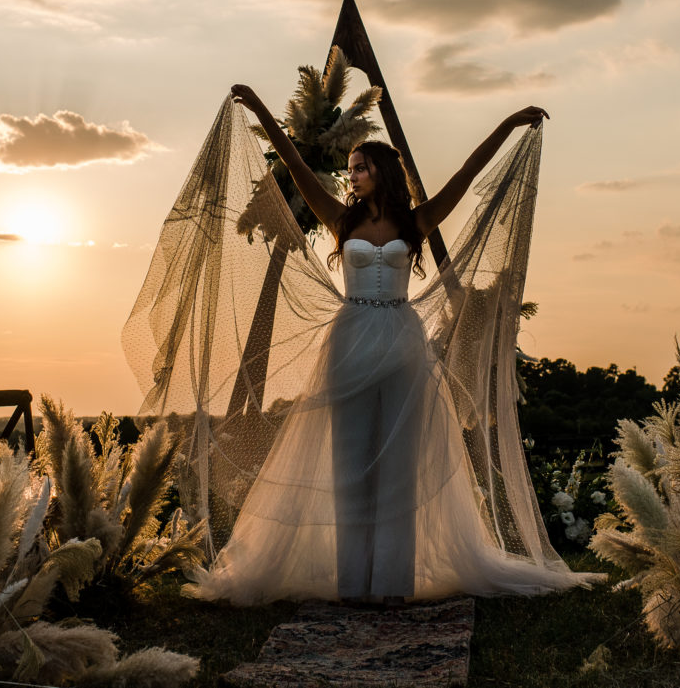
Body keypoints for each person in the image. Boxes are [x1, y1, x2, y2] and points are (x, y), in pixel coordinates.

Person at [158, 84, 598, 605]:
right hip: (350, 339)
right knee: (350, 463)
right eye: (351, 167)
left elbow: (466, 176)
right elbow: (297, 168)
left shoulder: (415, 221)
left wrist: (507, 125)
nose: (352, 174)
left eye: (361, 166)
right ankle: (352, 583)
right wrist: (260, 111)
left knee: (398, 468)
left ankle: (391, 584)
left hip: (402, 341)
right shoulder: (342, 220)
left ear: (382, 172)